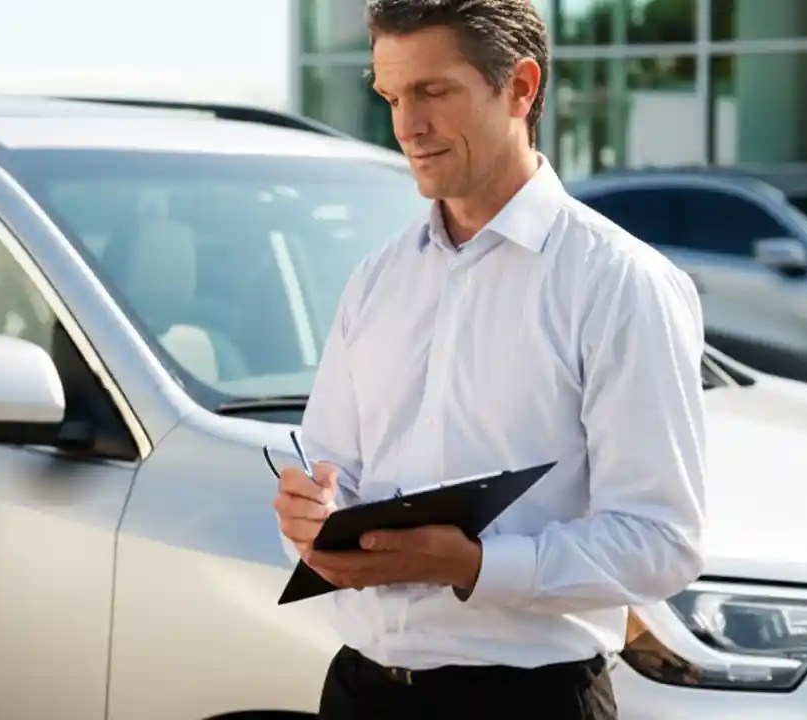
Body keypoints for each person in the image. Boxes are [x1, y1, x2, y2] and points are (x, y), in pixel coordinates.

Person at [272, 1, 707, 718]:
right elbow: (334, 465)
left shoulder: (619, 283)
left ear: (522, 87)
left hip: (526, 701)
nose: (406, 127)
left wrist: (473, 567)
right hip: (358, 692)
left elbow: (661, 544)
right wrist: (312, 511)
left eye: (432, 92)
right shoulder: (376, 280)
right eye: (390, 96)